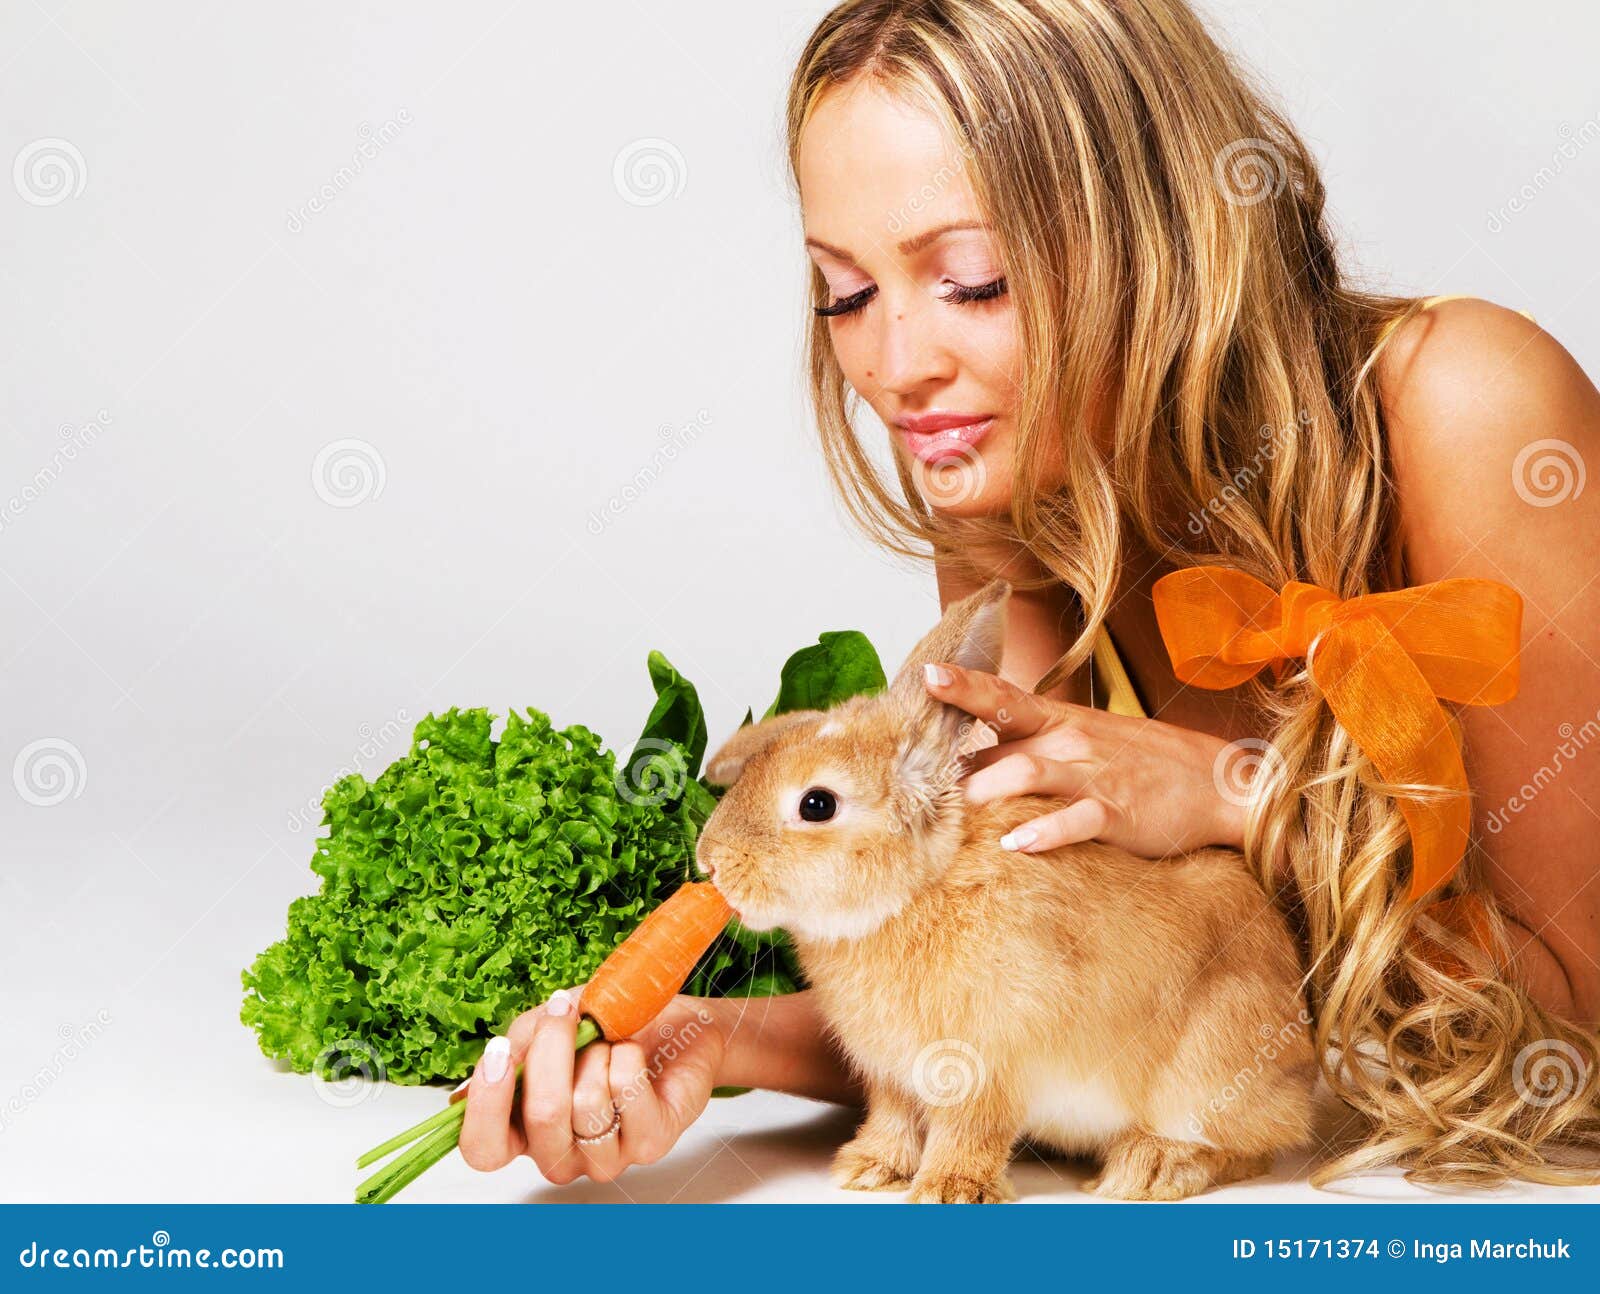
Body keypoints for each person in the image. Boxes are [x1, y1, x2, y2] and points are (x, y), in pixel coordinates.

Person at [460, 0, 1600, 1193]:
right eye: (843, 296)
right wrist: (702, 1039)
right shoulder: (1016, 501)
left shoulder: (1465, 405)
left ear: (1158, 232)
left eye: (972, 280)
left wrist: (1229, 793)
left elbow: (1570, 1020)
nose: (894, 368)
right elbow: (1018, 1002)